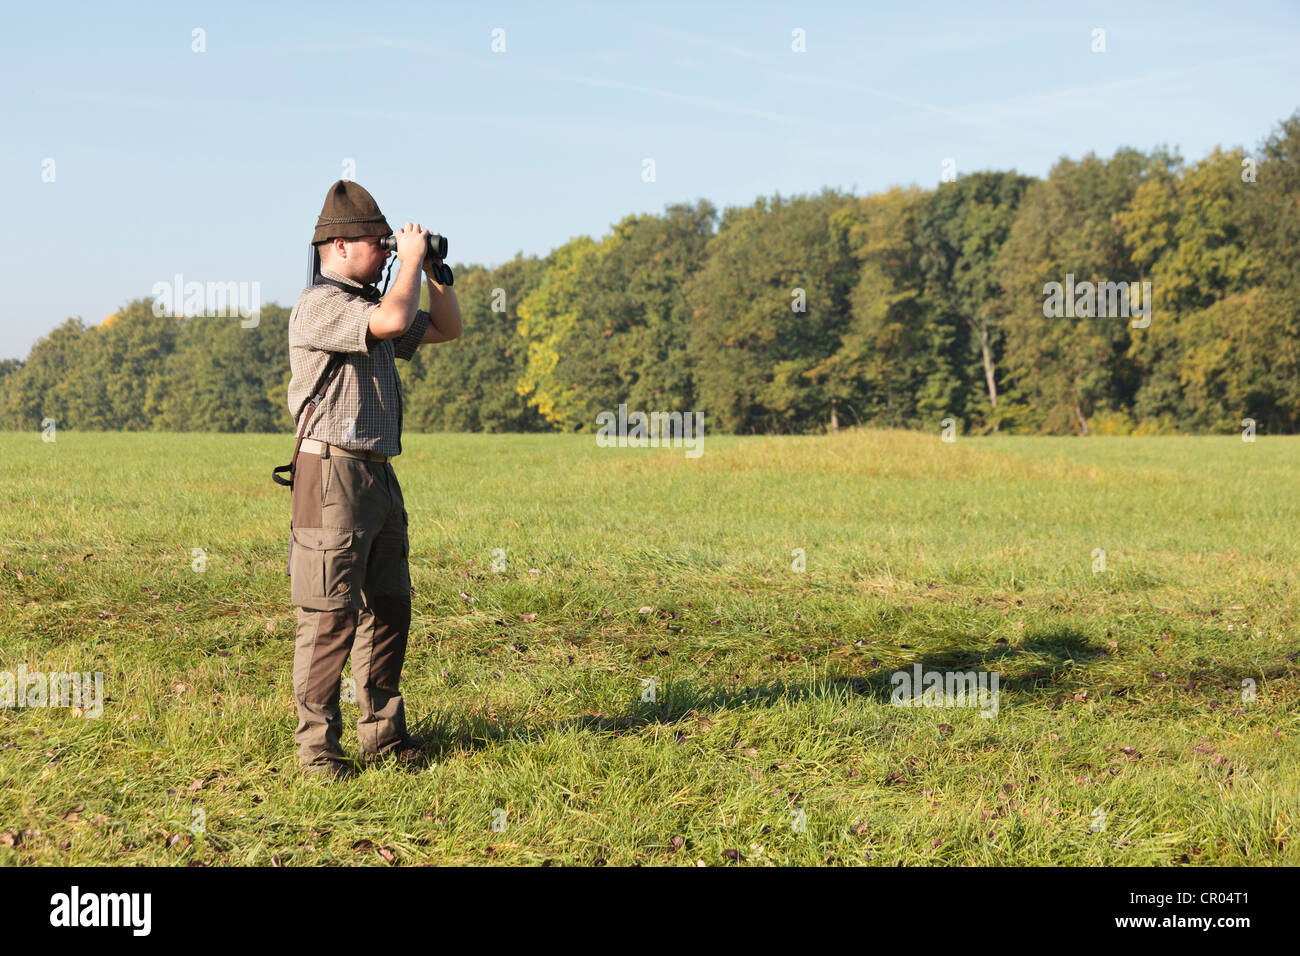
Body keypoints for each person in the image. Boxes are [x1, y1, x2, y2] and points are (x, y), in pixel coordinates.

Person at [285, 179, 461, 779]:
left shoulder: (376, 306)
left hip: (379, 473)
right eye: (377, 242)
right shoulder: (320, 305)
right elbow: (392, 317)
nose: (387, 251)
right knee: (329, 614)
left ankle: (383, 738)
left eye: (391, 244)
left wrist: (433, 272)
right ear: (336, 246)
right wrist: (408, 264)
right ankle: (317, 751)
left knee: (388, 609)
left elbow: (445, 329)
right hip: (331, 472)